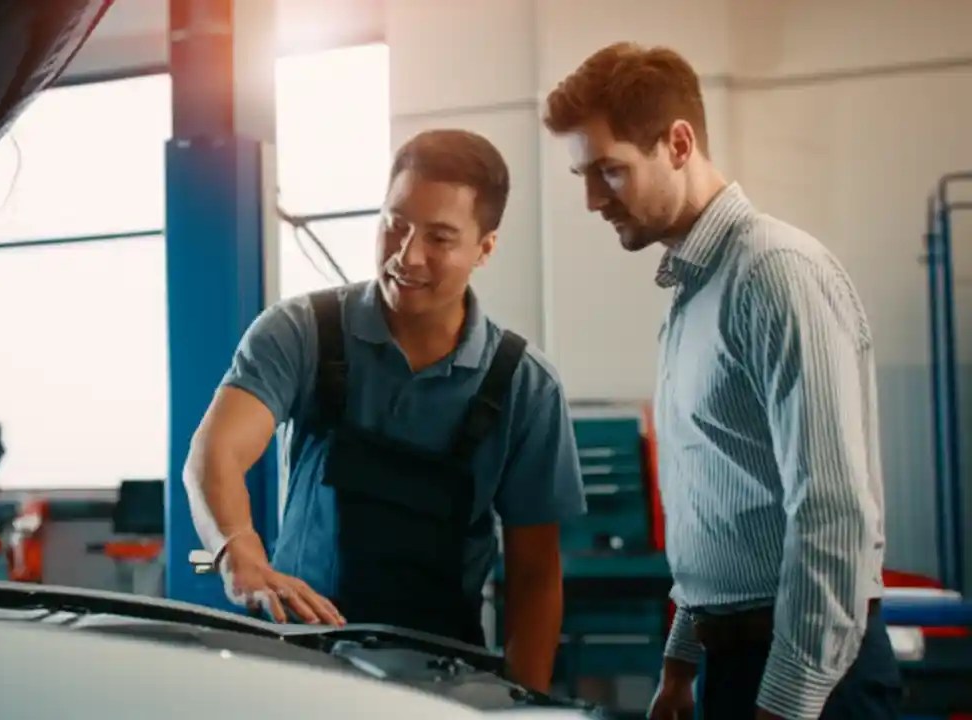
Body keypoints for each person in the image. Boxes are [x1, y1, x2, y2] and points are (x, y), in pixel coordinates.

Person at [541, 42, 899, 720]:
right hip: (735, 664)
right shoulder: (693, 292)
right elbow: (721, 508)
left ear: (678, 143)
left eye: (608, 172)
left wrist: (786, 704)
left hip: (809, 680)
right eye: (582, 176)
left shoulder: (774, 274)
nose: (591, 200)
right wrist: (683, 664)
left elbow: (833, 513)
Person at [182, 128, 587, 691]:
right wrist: (237, 554)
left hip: (443, 683)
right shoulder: (303, 333)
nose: (406, 255)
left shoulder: (524, 386)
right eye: (395, 224)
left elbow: (537, 575)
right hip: (296, 668)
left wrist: (527, 701)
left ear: (485, 247)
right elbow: (214, 454)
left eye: (440, 238)